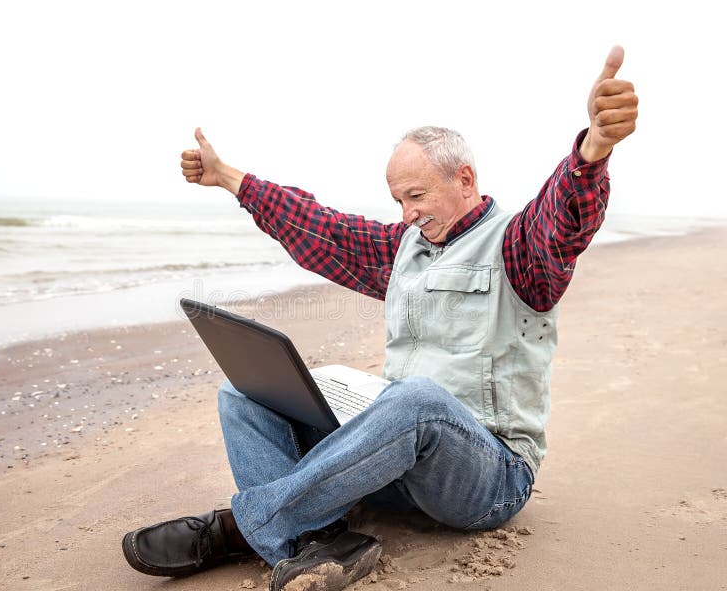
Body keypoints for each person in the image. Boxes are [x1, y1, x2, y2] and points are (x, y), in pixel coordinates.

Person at [121, 46, 638, 591]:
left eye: (416, 196)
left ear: (464, 179)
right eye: (399, 201)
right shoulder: (404, 247)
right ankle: (320, 540)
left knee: (414, 399)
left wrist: (594, 149)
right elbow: (320, 227)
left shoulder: (518, 246)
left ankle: (242, 528)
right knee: (245, 391)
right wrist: (229, 178)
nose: (408, 213)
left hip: (487, 477)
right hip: (397, 468)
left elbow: (564, 220)